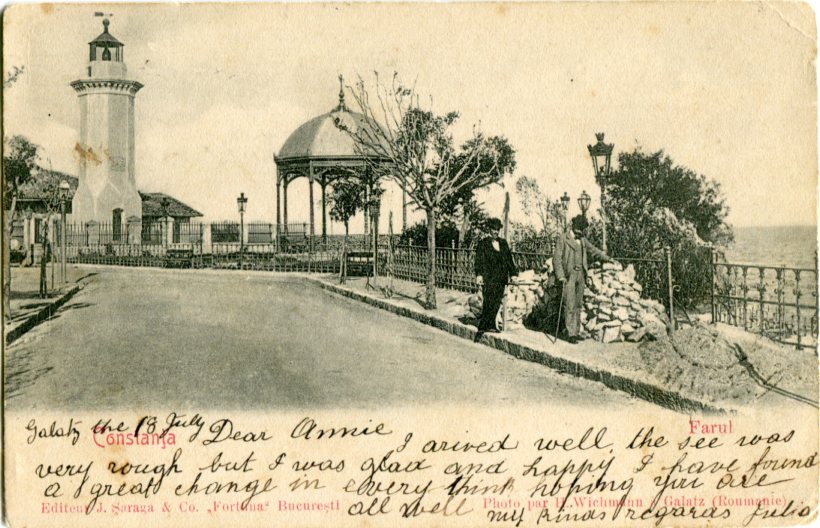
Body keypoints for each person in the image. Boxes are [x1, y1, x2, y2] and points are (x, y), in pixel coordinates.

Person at [553, 215, 616, 344]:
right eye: (579, 229)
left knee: (578, 304)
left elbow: (593, 250)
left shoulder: (582, 240)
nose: (581, 232)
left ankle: (575, 331)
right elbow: (557, 259)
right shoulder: (563, 238)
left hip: (581, 275)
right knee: (569, 304)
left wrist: (607, 258)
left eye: (583, 229)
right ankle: (570, 333)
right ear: (574, 226)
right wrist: (560, 276)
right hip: (568, 276)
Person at [474, 218, 517, 338]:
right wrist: (479, 275)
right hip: (489, 278)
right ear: (489, 230)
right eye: (494, 229)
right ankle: (483, 326)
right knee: (488, 301)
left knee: (497, 301)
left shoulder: (503, 243)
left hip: (501, 278)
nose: (496, 232)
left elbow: (509, 260)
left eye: (498, 230)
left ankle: (491, 324)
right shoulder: (483, 244)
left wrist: (513, 274)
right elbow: (479, 261)